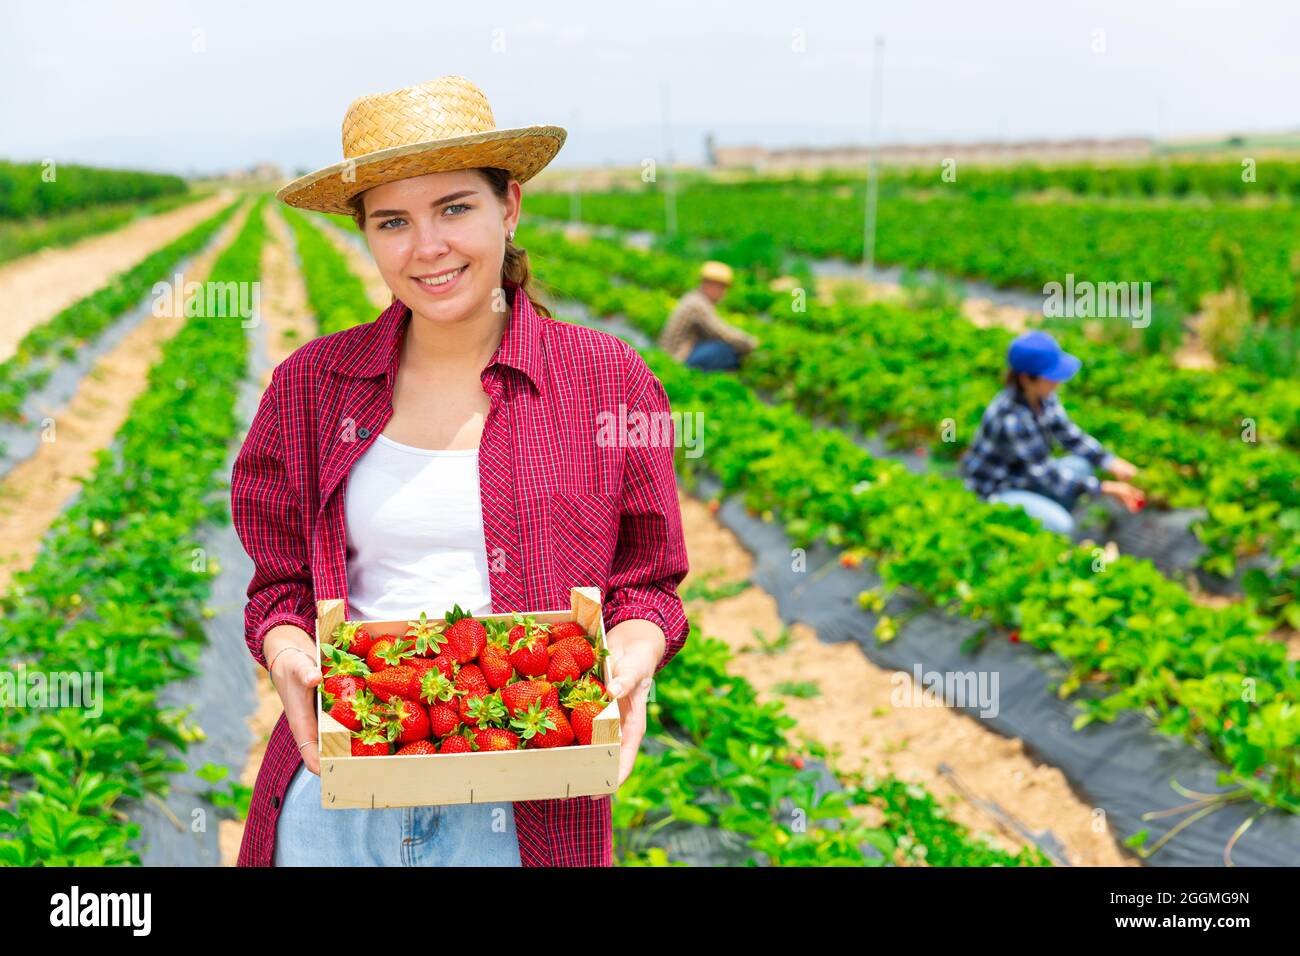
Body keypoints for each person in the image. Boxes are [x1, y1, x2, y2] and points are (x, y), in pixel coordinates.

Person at [231, 75, 690, 867]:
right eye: (392, 221)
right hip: (347, 785)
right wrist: (286, 651)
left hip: (532, 797)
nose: (428, 247)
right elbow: (278, 585)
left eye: (454, 208)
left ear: (509, 206)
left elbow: (647, 582)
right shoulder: (310, 386)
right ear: (364, 235)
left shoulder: (608, 379)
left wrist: (635, 656)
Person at [959, 330, 1144, 536]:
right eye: (1051, 377)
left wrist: (1109, 461)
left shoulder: (1043, 397)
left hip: (1024, 476)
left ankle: (1047, 508)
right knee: (1061, 526)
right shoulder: (1011, 417)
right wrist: (1105, 488)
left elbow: (1068, 434)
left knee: (1081, 466)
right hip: (995, 490)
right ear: (1026, 379)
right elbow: (1046, 474)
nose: (1058, 382)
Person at [659, 260, 758, 370]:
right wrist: (749, 342)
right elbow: (722, 332)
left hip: (675, 354)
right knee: (725, 350)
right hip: (677, 357)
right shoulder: (697, 304)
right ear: (709, 284)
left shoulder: (696, 299)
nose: (724, 293)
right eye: (722, 287)